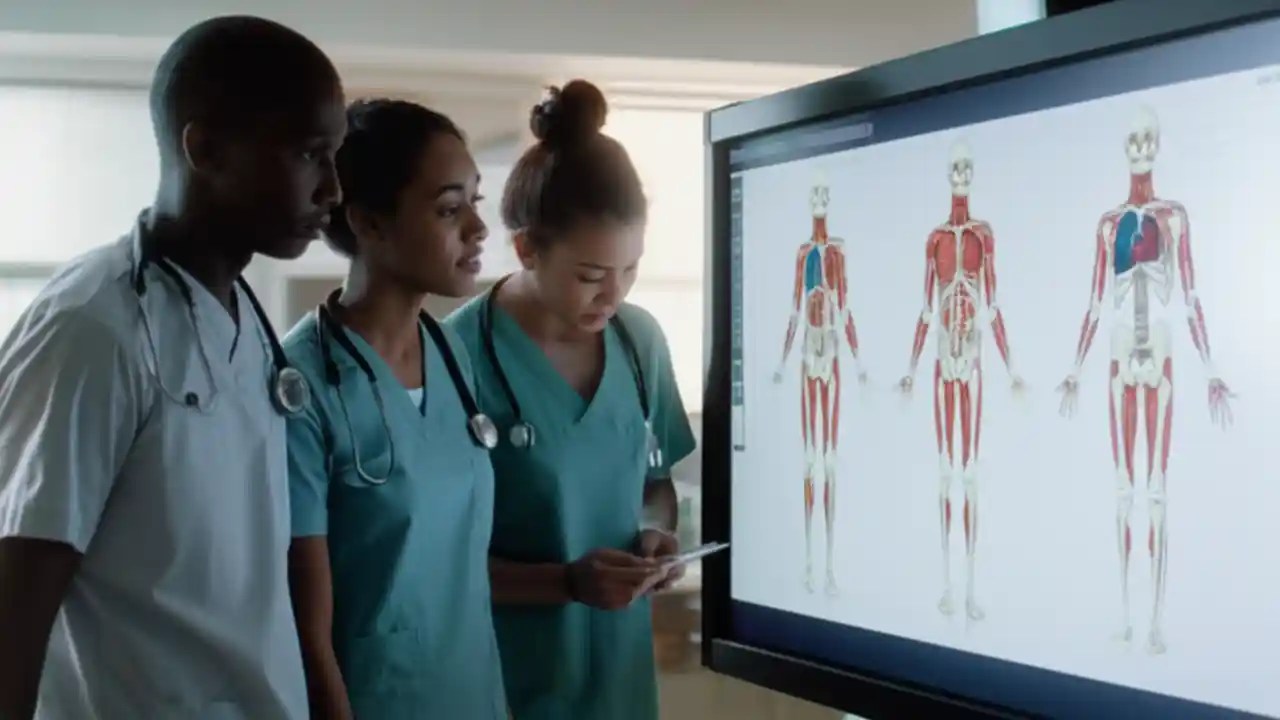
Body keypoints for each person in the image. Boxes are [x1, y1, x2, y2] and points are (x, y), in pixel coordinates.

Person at [0, 16, 344, 720]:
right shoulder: (92, 328)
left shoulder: (243, 321)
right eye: (312, 154)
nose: (332, 189)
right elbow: (15, 599)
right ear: (207, 148)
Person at [446, 79, 698, 720]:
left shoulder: (638, 341)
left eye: (630, 270)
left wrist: (655, 534)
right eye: (591, 275)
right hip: (504, 685)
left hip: (620, 686)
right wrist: (562, 583)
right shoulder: (452, 357)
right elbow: (432, 561)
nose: (612, 296)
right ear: (527, 247)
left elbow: (655, 479)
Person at [283, 99, 508, 719]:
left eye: (475, 203)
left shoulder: (453, 356)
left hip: (472, 692)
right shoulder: (300, 385)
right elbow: (304, 623)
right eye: (448, 208)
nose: (478, 230)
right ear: (369, 223)